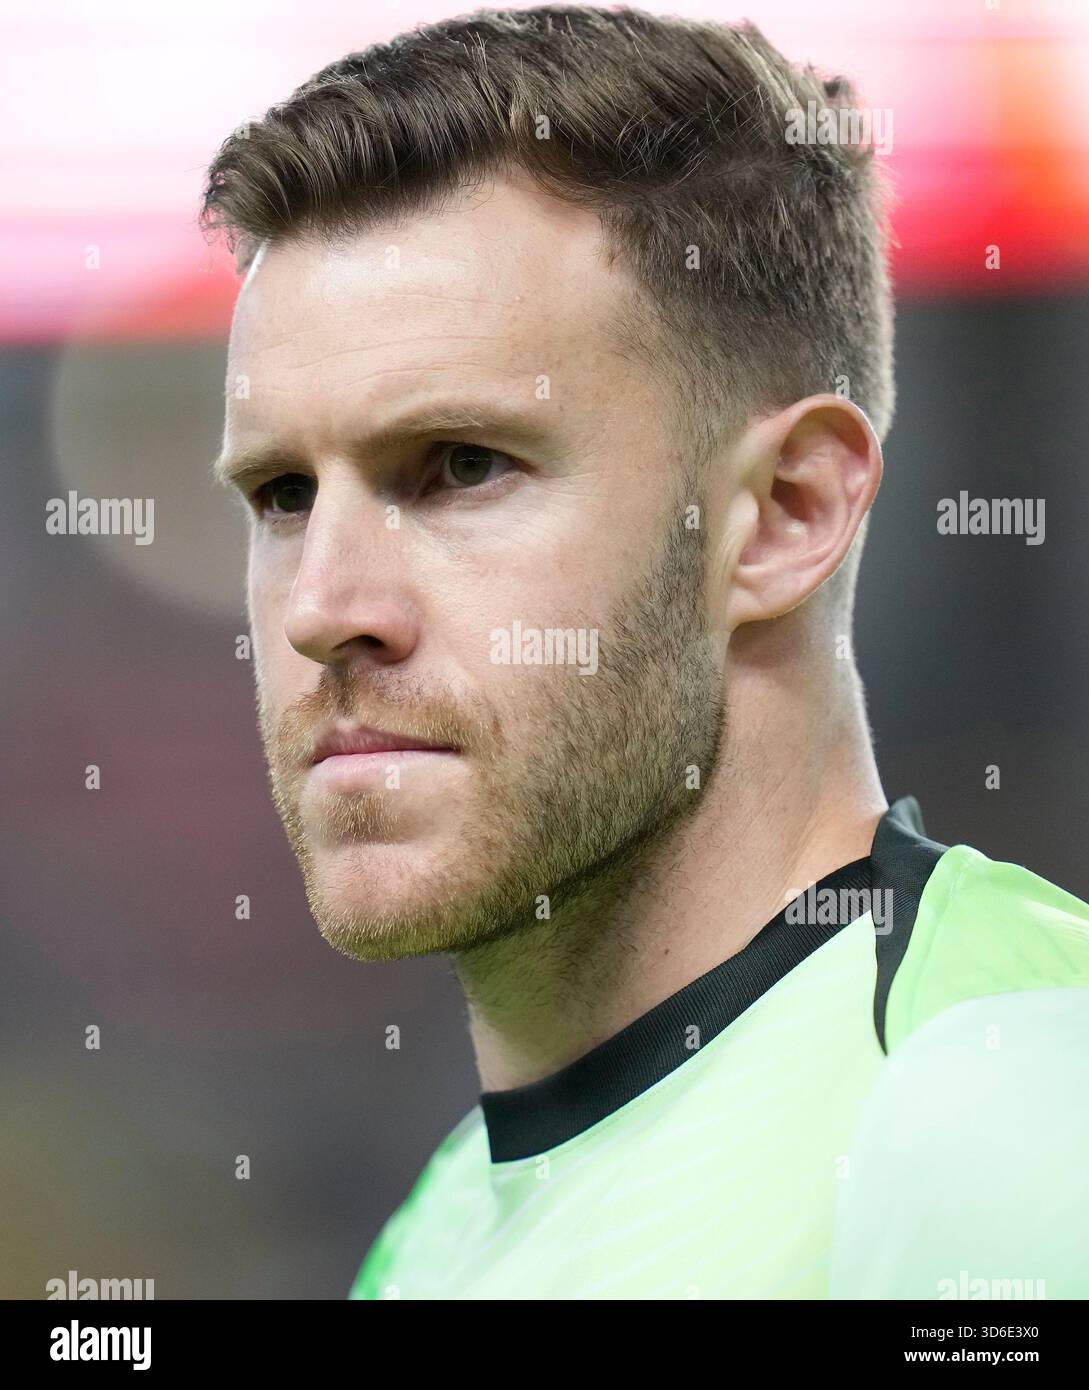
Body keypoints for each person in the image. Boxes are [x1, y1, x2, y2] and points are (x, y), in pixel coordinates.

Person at [200, 5, 1089, 1299]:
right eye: (282, 492)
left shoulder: (1000, 1112)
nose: (322, 607)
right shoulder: (435, 1231)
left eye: (460, 466)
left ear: (784, 514)